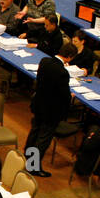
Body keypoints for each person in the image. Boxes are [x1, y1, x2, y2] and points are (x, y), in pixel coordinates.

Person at [26, 38, 77, 177]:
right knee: (43, 138)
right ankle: (33, 167)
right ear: (69, 57)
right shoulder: (62, 72)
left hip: (38, 104)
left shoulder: (44, 61)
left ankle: (27, 156)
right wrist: (70, 97)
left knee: (34, 132)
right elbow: (64, 94)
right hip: (51, 111)